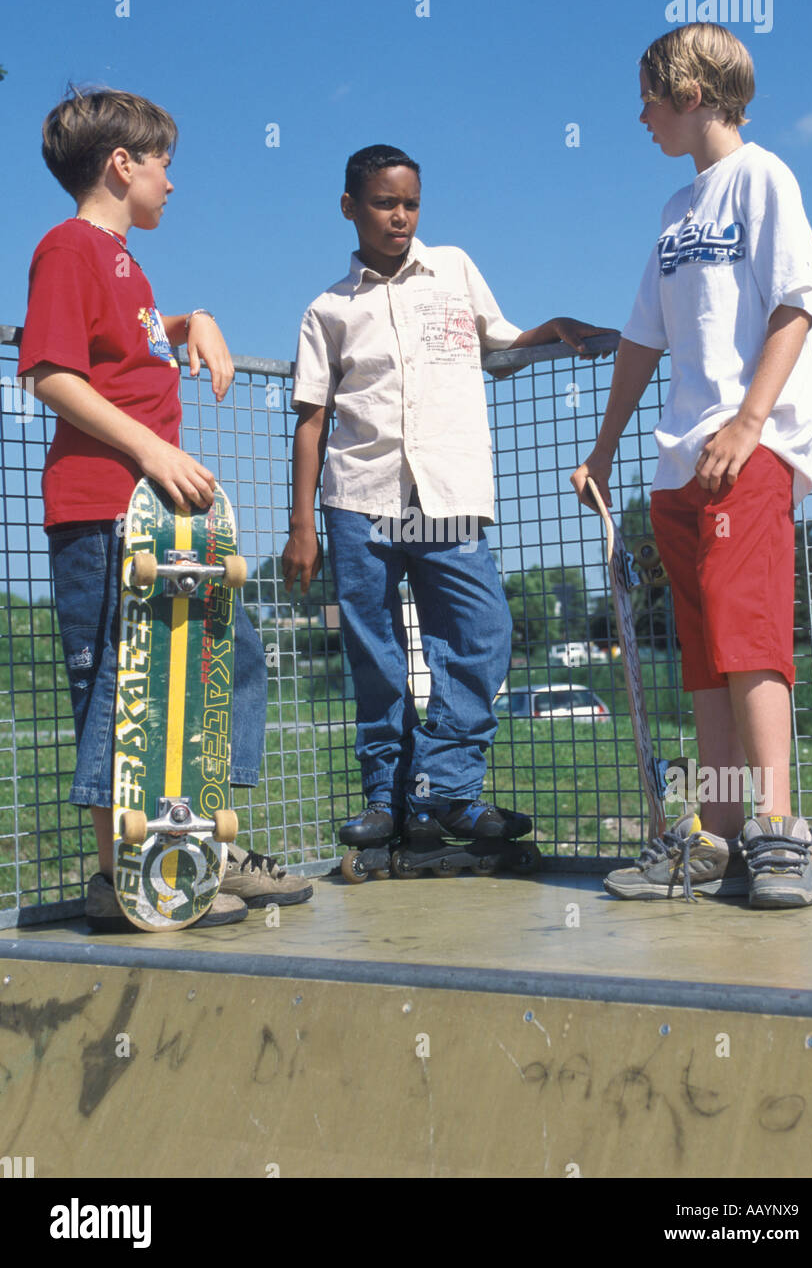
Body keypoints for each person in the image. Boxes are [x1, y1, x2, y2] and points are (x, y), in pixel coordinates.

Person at [17, 86, 312, 930]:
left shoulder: (126, 265)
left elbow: (129, 340)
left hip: (163, 516)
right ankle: (118, 879)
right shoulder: (68, 248)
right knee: (126, 687)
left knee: (222, 663)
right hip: (107, 511)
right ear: (122, 165)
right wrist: (150, 451)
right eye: (163, 167)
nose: (171, 185)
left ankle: (202, 853)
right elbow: (51, 372)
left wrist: (192, 320)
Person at [282, 143, 608, 869]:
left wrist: (554, 326)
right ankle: (385, 802)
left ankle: (447, 789)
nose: (399, 217)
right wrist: (301, 523)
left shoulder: (454, 269)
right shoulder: (328, 309)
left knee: (482, 633)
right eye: (383, 203)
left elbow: (502, 344)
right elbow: (311, 419)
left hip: (446, 494)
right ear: (349, 208)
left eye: (410, 203)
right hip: (359, 500)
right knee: (378, 657)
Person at [571, 24, 812, 907]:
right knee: (707, 657)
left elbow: (796, 305)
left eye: (648, 97)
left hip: (743, 454)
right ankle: (714, 838)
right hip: (679, 464)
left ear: (688, 93)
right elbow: (644, 339)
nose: (639, 116)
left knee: (751, 642)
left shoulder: (763, 178)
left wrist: (750, 425)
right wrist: (602, 448)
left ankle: (777, 833)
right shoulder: (676, 213)